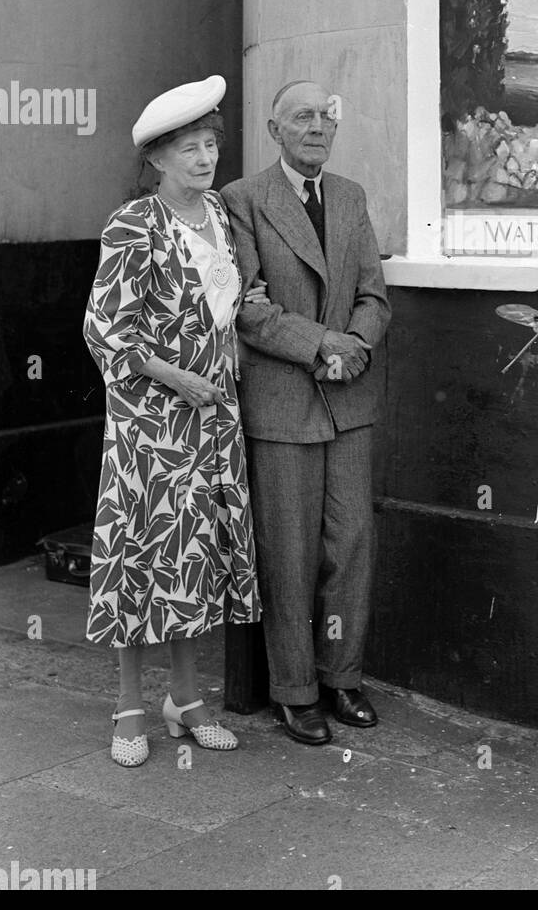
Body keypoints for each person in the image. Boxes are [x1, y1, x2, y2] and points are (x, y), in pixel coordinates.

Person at [83, 76, 263, 767]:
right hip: (151, 424)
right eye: (187, 148)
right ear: (156, 159)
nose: (203, 158)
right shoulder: (133, 225)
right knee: (145, 556)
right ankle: (130, 705)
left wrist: (224, 363)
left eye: (210, 144)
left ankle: (185, 701)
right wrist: (173, 375)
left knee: (195, 559)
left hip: (211, 418)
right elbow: (105, 331)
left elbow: (227, 306)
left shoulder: (218, 213)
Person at [221, 81, 391, 745]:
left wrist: (353, 347)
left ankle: (341, 677)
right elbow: (246, 305)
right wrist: (322, 344)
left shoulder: (348, 195)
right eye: (301, 117)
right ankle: (294, 691)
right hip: (284, 403)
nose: (316, 127)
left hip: (347, 398)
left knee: (349, 546)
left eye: (325, 116)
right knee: (287, 552)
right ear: (274, 128)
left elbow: (374, 293)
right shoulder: (242, 200)